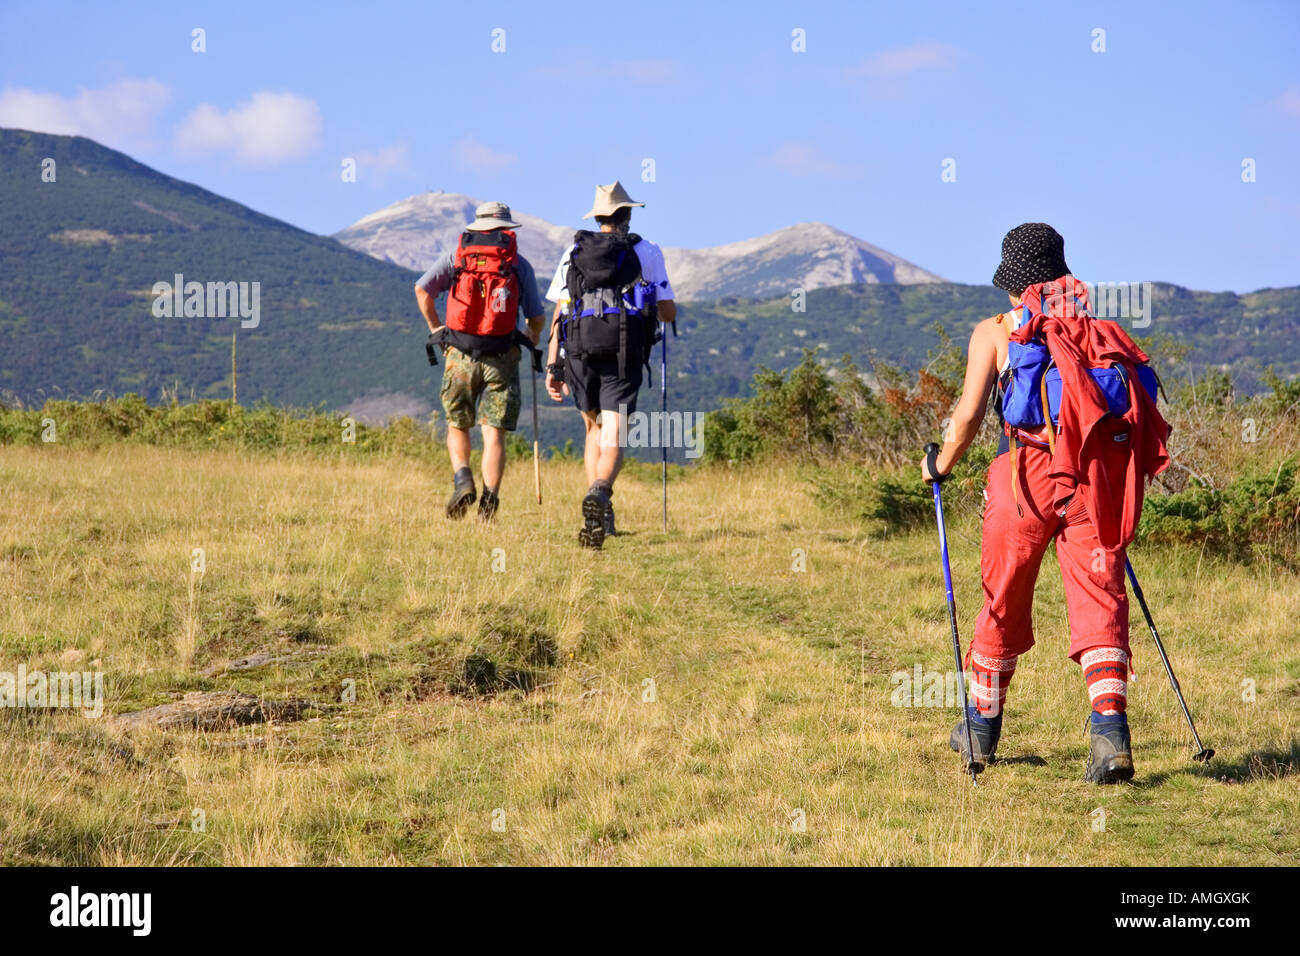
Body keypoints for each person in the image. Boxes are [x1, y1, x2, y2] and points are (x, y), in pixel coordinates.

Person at [921, 222, 1169, 783]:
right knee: (1099, 595)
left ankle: (981, 728)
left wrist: (937, 466)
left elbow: (963, 422)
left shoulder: (996, 331)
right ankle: (1111, 735)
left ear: (1013, 282)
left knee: (1002, 594)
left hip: (1025, 478)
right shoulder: (1097, 328)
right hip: (1092, 480)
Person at [544, 181, 676, 549]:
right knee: (614, 432)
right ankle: (601, 494)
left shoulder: (574, 252)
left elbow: (561, 310)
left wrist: (552, 364)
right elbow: (666, 311)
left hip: (579, 350)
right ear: (628, 215)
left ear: (599, 217)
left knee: (593, 431)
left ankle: (599, 505)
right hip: (623, 351)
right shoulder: (647, 251)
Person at [415, 201, 545, 520]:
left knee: (458, 423)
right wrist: (531, 335)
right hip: (502, 354)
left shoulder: (457, 257)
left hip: (459, 352)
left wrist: (437, 329)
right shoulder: (518, 264)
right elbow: (537, 316)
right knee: (493, 431)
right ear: (506, 230)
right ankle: (489, 502)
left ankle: (463, 478)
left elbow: (421, 290)